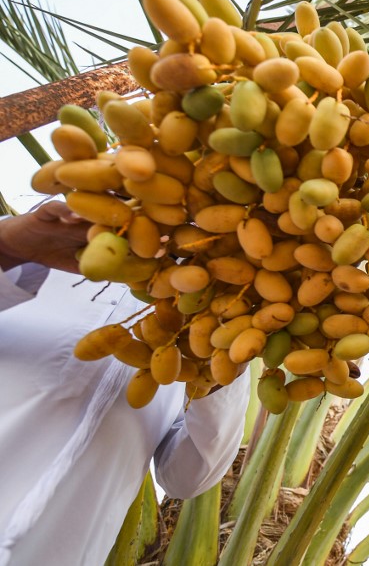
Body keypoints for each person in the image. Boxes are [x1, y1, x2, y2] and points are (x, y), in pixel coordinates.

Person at [0, 202, 250, 564]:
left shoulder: (206, 321)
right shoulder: (42, 248)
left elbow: (187, 479)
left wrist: (226, 368)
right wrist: (8, 248)